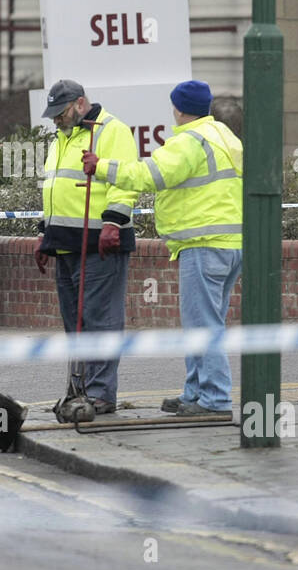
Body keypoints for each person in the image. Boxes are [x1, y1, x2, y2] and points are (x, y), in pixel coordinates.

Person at [81, 80, 242, 419]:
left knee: (203, 327)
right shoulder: (224, 135)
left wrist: (102, 166)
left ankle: (214, 400)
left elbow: (149, 175)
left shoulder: (189, 141)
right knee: (205, 322)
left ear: (178, 109)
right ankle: (195, 392)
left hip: (203, 243)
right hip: (231, 244)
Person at [35, 79, 140, 414]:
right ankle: (80, 390)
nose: (56, 119)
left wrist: (114, 222)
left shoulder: (112, 131)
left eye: (61, 112)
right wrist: (45, 233)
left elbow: (125, 181)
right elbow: (55, 188)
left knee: (100, 319)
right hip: (66, 244)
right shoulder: (63, 138)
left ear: (80, 103)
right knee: (75, 322)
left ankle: (100, 393)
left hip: (99, 243)